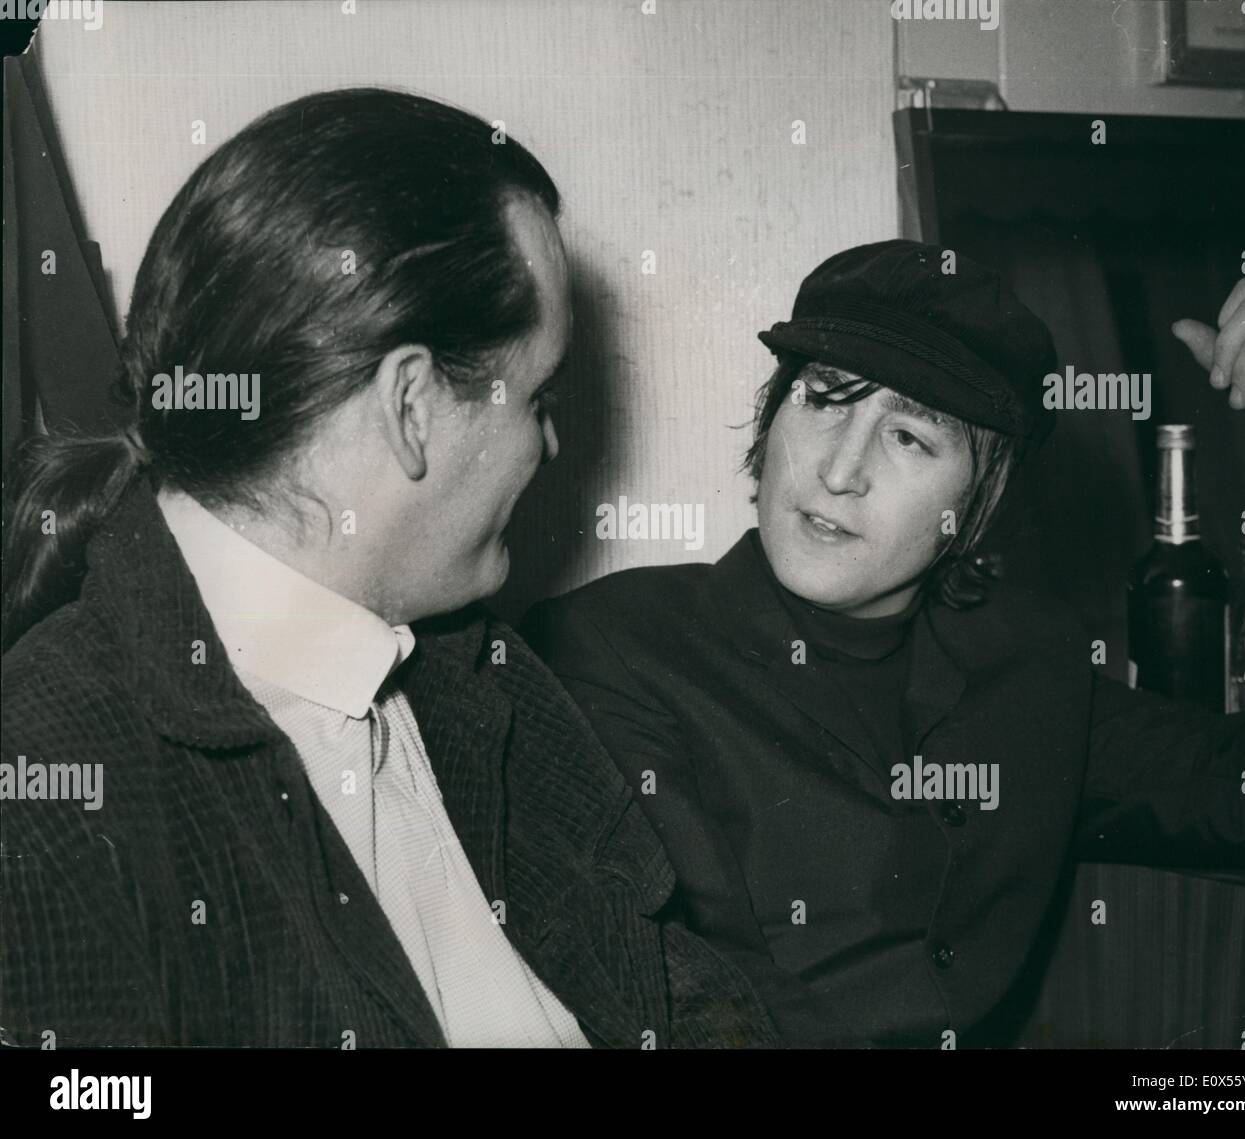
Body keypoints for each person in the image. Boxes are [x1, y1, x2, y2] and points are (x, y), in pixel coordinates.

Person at [0, 88, 777, 1049]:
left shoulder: (476, 670)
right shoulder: (49, 790)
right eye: (538, 397)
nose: (552, 445)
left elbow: (682, 997)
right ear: (411, 405)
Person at [523, 241, 1245, 1047]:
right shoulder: (613, 649)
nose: (839, 471)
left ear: (982, 499)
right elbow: (705, 1009)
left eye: (909, 439)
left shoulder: (1032, 670)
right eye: (823, 400)